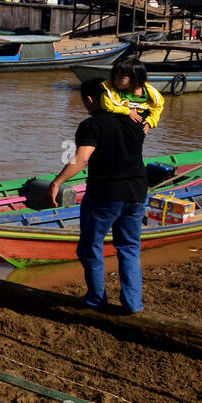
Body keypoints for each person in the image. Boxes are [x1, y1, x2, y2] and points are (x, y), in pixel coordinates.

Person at [48, 78, 147, 314]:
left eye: (84, 102)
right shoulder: (135, 120)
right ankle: (133, 304)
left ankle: (96, 299)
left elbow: (82, 159)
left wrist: (56, 182)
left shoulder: (92, 125)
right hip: (137, 193)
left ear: (90, 100)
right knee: (130, 248)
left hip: (105, 195)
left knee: (90, 247)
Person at [99, 57, 163, 132]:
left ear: (135, 78)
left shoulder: (151, 93)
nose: (115, 81)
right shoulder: (112, 91)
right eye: (114, 77)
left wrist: (150, 121)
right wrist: (128, 111)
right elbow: (107, 106)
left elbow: (157, 107)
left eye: (120, 78)